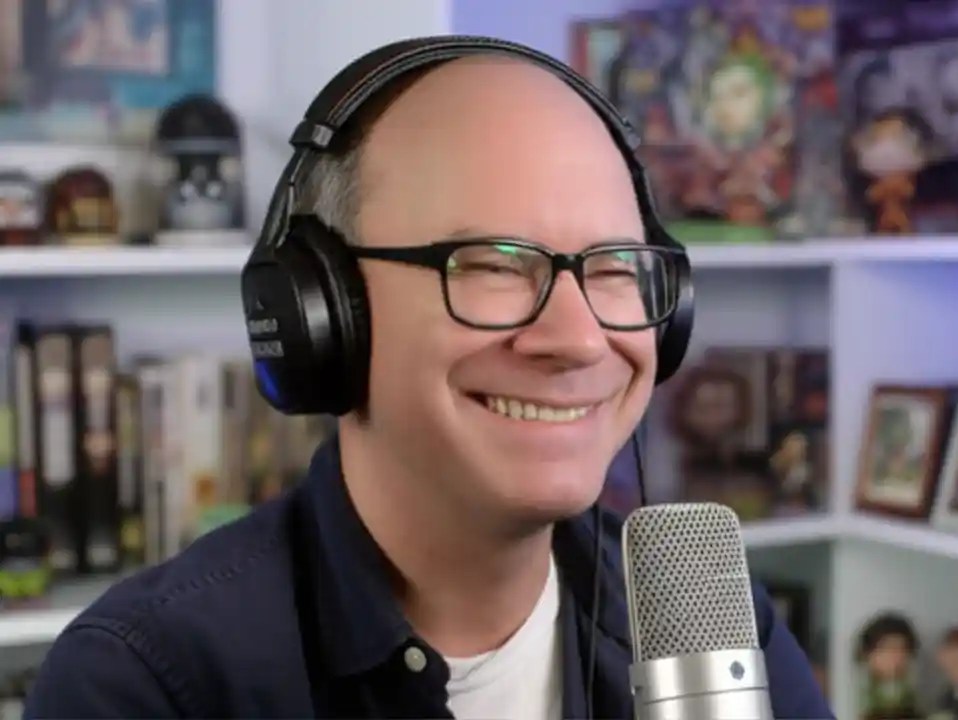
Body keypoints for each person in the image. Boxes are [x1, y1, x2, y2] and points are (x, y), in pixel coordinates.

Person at [23, 39, 832, 720]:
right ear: (320, 313)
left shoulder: (706, 624)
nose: (579, 338)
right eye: (490, 265)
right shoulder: (150, 683)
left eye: (616, 267)